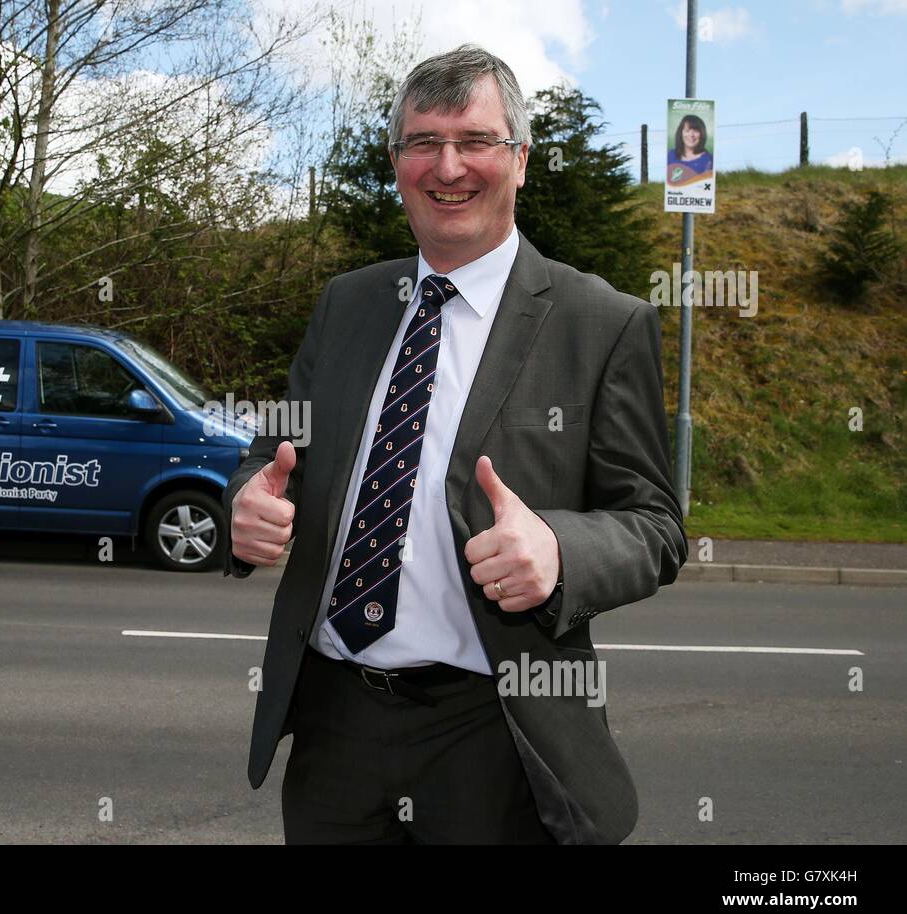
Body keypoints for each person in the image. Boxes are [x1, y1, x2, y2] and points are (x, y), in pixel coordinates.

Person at [223, 44, 687, 844]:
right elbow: (278, 453)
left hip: (495, 734)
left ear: (520, 160)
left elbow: (654, 525)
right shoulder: (348, 303)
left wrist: (559, 547)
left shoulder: (601, 323)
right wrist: (248, 499)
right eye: (423, 142)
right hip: (335, 726)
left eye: (475, 141)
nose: (449, 166)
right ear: (397, 160)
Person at [667, 113, 712, 184]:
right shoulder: (669, 155)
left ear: (702, 133)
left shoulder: (709, 160)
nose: (691, 135)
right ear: (681, 133)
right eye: (687, 131)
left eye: (696, 131)